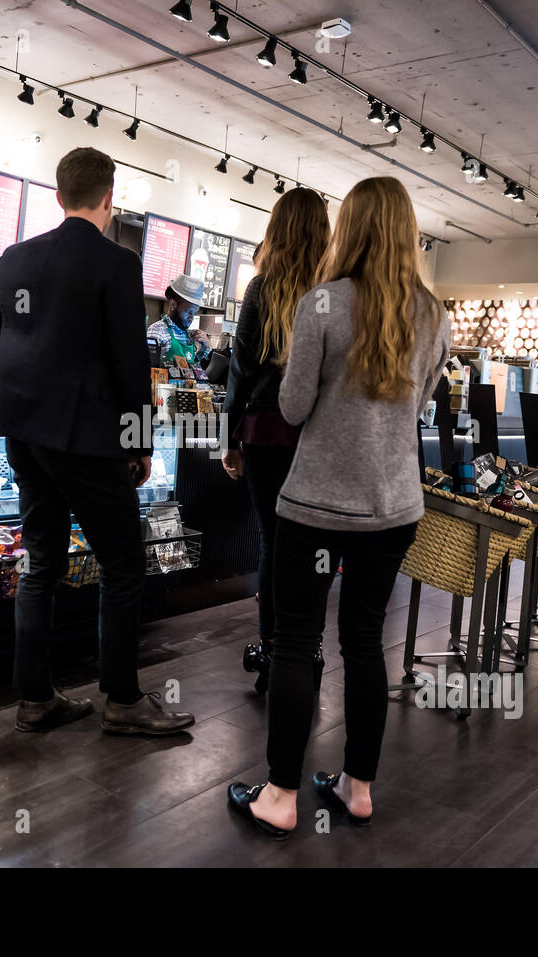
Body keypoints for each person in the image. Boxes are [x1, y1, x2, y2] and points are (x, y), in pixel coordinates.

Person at [226, 176, 450, 837]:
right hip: (393, 506)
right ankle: (357, 786)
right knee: (363, 641)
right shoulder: (434, 314)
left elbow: (292, 407)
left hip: (317, 504)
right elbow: (421, 405)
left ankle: (281, 796)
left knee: (296, 643)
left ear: (347, 228)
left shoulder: (323, 304)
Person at [0, 146, 195, 736]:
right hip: (88, 441)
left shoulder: (16, 256)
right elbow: (128, 361)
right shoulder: (117, 263)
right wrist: (139, 443)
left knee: (41, 563)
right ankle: (121, 701)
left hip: (23, 434)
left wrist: (11, 373)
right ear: (109, 197)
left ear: (58, 194)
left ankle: (36, 700)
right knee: (122, 567)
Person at [220, 187, 331, 693]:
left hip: (265, 432)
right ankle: (308, 650)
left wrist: (229, 438)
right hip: (318, 436)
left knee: (271, 542)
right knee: (312, 547)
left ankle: (271, 653)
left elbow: (240, 371)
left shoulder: (262, 288)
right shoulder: (334, 292)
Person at [147, 274, 211, 368]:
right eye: (188, 312)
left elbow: (191, 368)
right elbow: (147, 369)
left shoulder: (189, 336)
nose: (192, 317)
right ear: (173, 304)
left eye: (194, 313)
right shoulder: (157, 331)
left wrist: (205, 347)